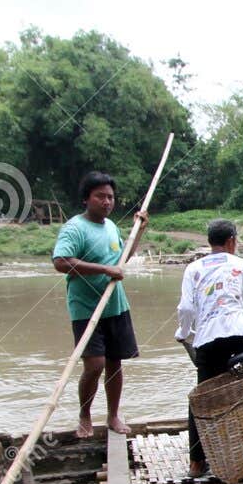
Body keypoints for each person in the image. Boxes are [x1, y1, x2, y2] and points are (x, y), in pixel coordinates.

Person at [51, 172, 147, 438]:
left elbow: (122, 258)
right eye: (101, 196)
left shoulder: (111, 227)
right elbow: (61, 262)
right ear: (86, 199)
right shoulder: (75, 228)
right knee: (94, 365)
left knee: (115, 364)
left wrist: (139, 231)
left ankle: (113, 415)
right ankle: (84, 415)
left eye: (111, 197)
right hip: (86, 309)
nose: (107, 202)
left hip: (115, 306)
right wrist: (103, 269)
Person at [176, 218, 243, 478]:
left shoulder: (193, 269)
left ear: (210, 242)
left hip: (209, 340)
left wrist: (182, 333)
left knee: (201, 397)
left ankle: (196, 463)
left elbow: (185, 308)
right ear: (232, 241)